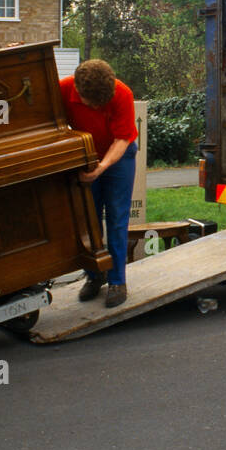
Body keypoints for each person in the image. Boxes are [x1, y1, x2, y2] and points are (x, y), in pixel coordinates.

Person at [60, 60, 138, 308]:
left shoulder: (122, 93)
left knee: (116, 217)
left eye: (100, 104)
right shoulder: (62, 89)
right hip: (87, 155)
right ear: (78, 91)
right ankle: (95, 275)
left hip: (119, 156)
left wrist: (101, 168)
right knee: (89, 219)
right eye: (90, 103)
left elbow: (122, 139)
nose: (95, 108)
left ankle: (117, 281)